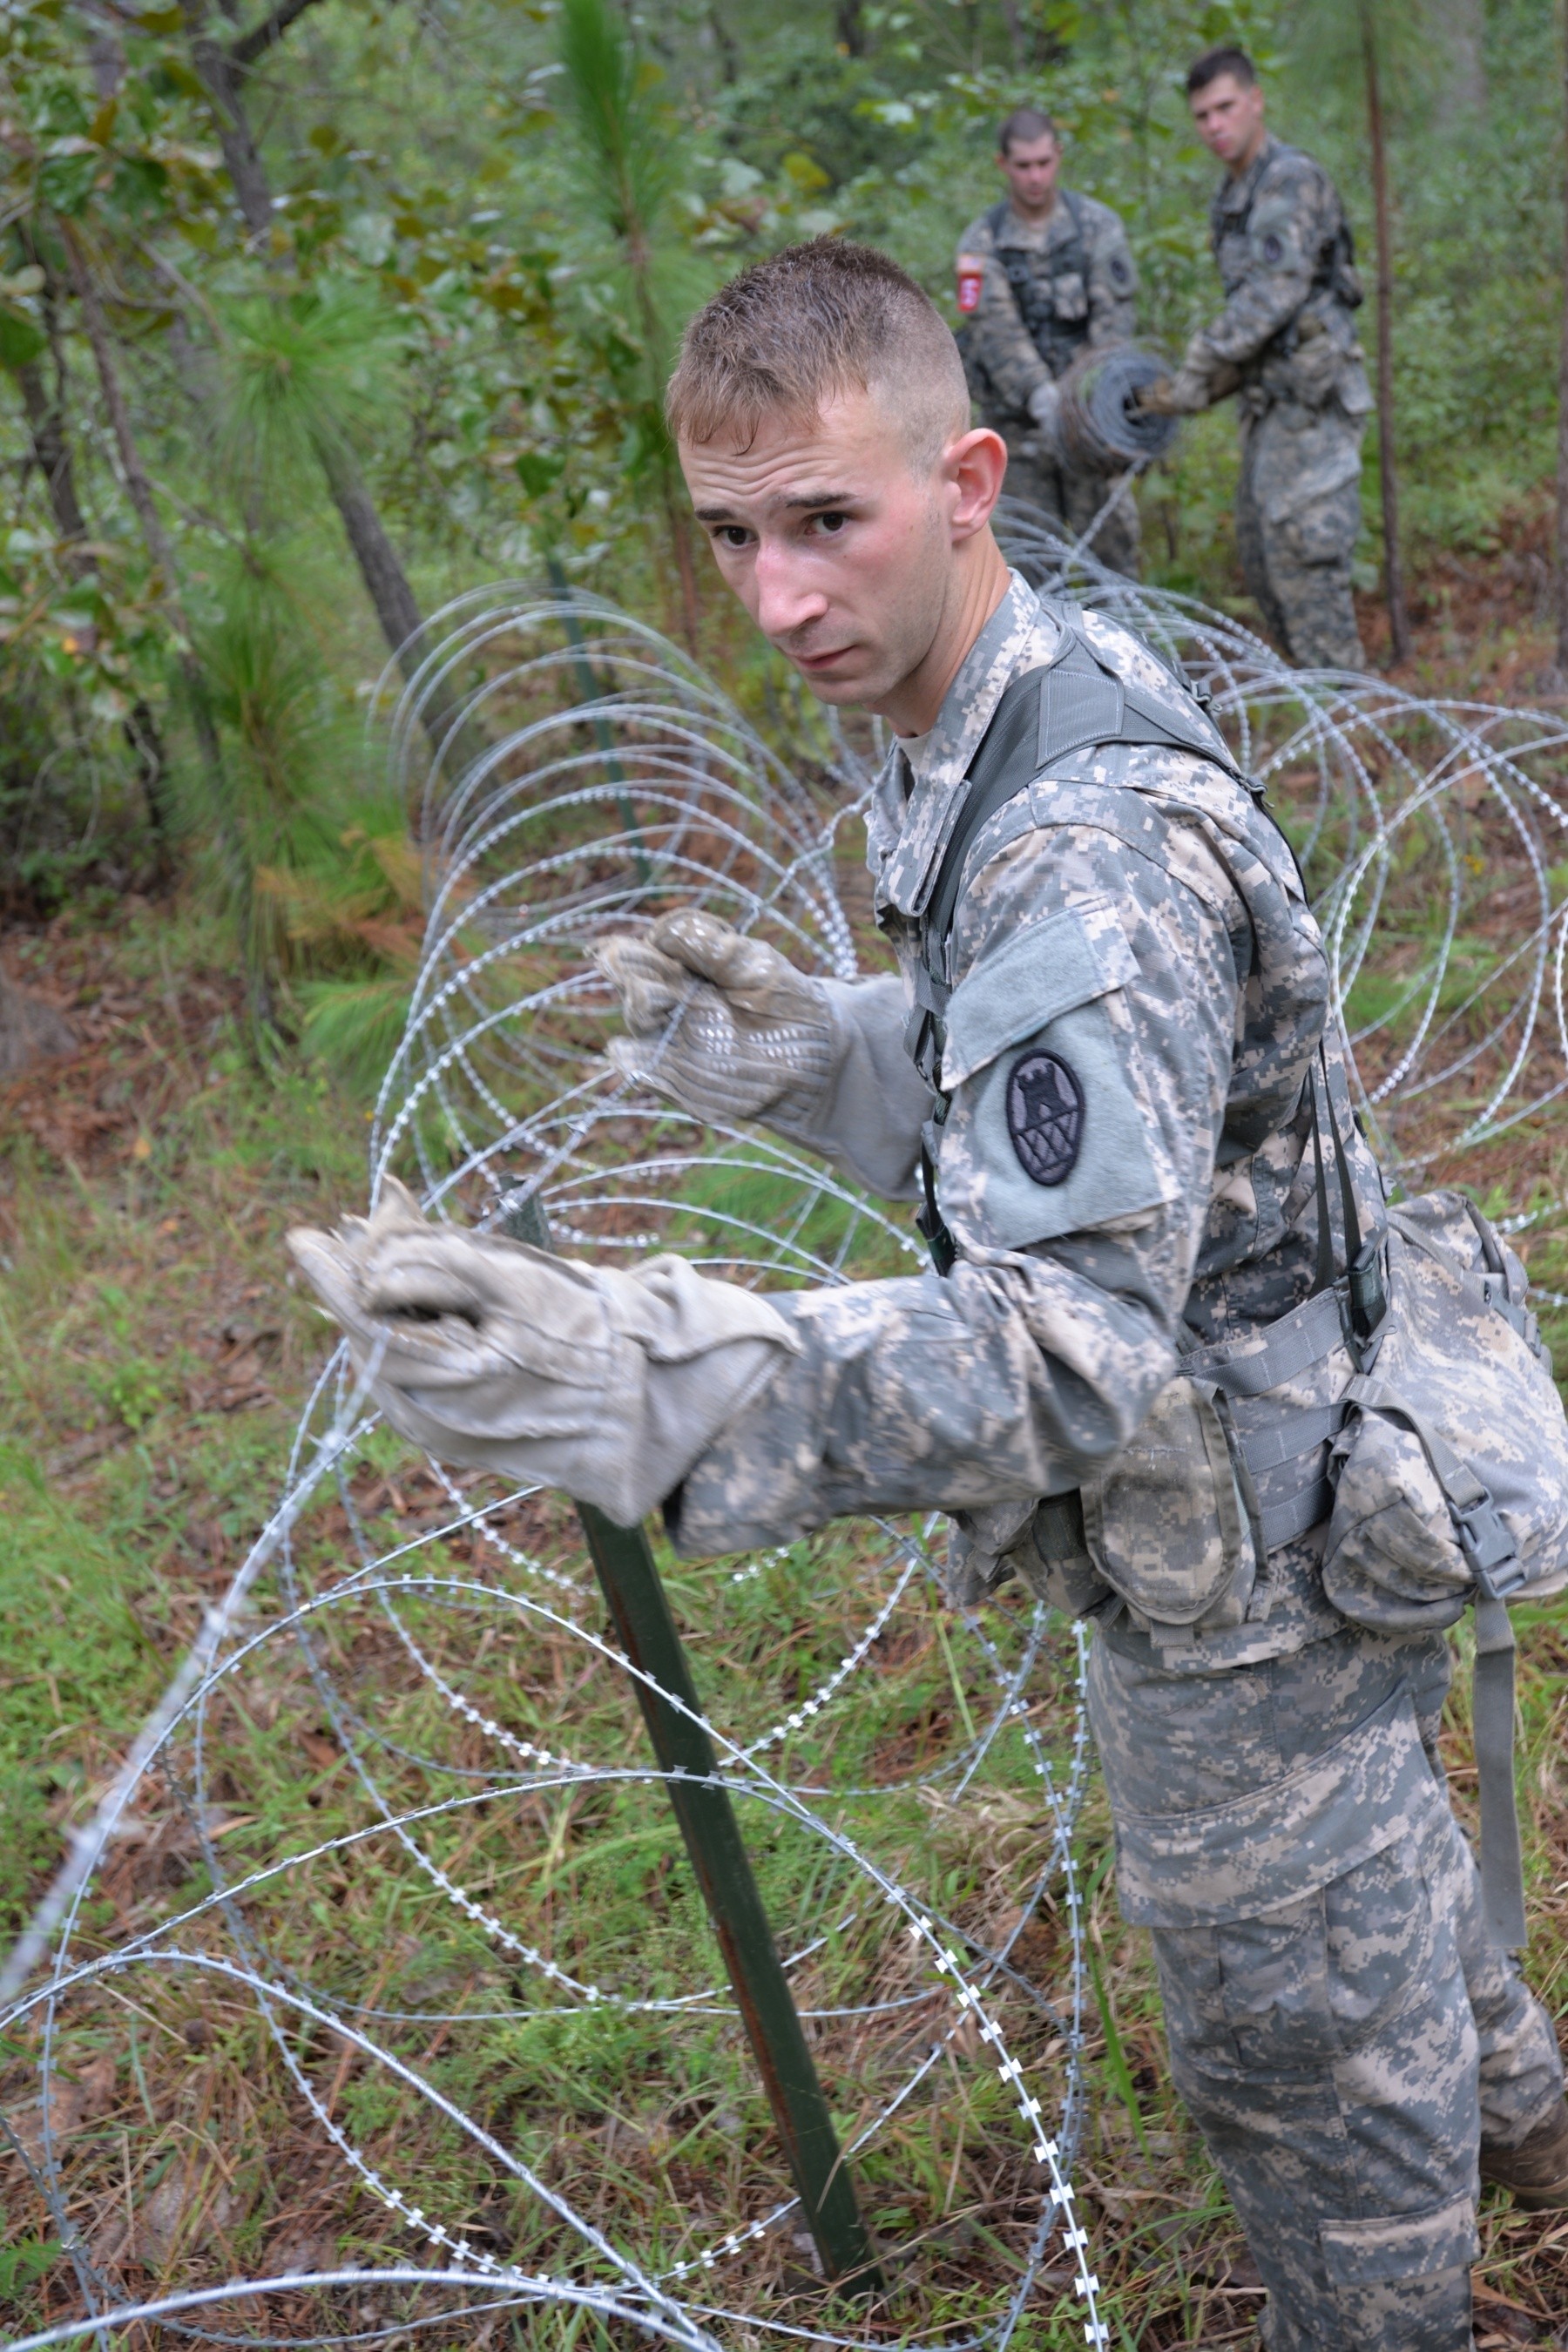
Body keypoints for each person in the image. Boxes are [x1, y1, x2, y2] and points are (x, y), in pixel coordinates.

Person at [289, 238, 1568, 2351]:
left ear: (968, 475)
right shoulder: (970, 705)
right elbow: (1079, 1103)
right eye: (733, 536)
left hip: (1244, 1572)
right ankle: (1528, 2121)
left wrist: (654, 1380)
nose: (780, 595)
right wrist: (819, 1051)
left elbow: (1069, 1350)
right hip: (1293, 1479)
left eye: (828, 521)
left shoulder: (1073, 828)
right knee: (1389, 1892)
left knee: (1304, 2068)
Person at [1143, 46, 1371, 671]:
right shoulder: (1233, 196)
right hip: (1270, 405)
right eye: (1202, 115)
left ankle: (1351, 711)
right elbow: (1255, 313)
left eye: (1225, 108)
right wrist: (1193, 391)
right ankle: (1319, 702)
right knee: (1265, 560)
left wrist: (1199, 364)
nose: (1215, 125)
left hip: (1313, 403)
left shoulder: (1288, 180)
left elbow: (1276, 293)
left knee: (1306, 557)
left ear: (1255, 100)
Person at [955, 107, 1141, 576]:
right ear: (1003, 165)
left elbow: (1114, 326)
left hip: (1094, 432)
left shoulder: (1098, 227)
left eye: (1043, 162)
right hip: (1019, 437)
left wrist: (1087, 406)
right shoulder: (980, 244)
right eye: (1023, 166)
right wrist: (1044, 398)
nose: (1035, 176)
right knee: (1029, 571)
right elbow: (995, 332)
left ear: (1058, 156)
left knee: (1114, 564)